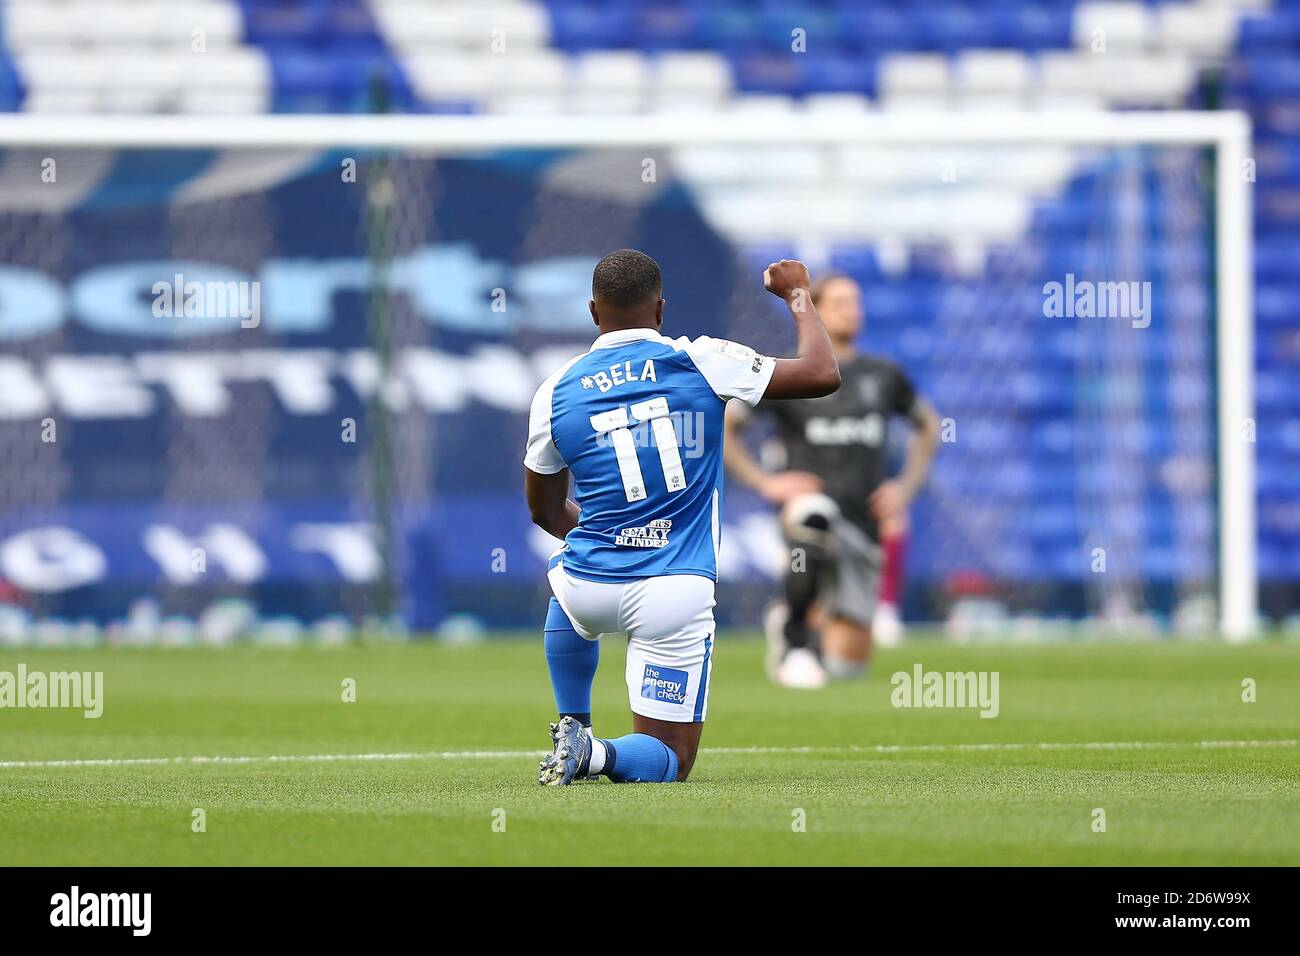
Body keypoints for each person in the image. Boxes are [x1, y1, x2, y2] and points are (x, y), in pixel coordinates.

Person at [524, 250, 839, 784]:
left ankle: (571, 725)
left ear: (594, 312)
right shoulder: (703, 360)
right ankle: (595, 754)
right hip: (674, 589)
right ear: (662, 309)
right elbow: (821, 373)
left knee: (566, 584)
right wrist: (798, 296)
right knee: (670, 756)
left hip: (588, 584)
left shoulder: (554, 390)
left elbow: (545, 510)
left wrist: (616, 538)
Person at [723, 273, 940, 688]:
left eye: (855, 301)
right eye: (839, 302)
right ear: (816, 311)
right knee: (813, 518)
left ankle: (797, 615)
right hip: (811, 510)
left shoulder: (884, 375)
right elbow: (727, 426)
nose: (851, 310)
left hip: (864, 521)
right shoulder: (790, 374)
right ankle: (796, 640)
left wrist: (905, 487)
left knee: (847, 667)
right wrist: (765, 483)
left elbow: (928, 425)